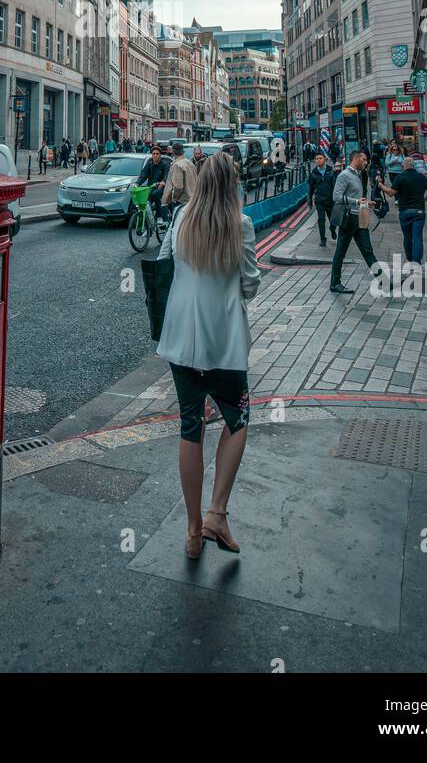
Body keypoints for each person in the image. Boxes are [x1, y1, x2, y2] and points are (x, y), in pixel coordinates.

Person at [156, 152, 260, 559]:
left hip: (181, 341)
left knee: (190, 427)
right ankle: (217, 512)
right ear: (233, 184)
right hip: (224, 346)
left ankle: (192, 529)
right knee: (238, 419)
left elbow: (164, 265)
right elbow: (250, 283)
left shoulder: (181, 218)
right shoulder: (241, 224)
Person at [329, 149, 383, 294]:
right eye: (364, 160)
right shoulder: (344, 175)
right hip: (349, 219)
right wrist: (356, 201)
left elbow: (357, 198)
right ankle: (335, 283)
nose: (366, 163)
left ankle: (384, 281)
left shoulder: (359, 175)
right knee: (341, 251)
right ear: (356, 159)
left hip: (360, 216)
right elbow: (336, 197)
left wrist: (366, 203)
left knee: (368, 251)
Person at [381, 156, 427, 264]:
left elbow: (391, 193)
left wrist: (381, 186)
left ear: (403, 165)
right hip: (419, 211)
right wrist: (424, 200)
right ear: (413, 165)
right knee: (417, 237)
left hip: (405, 211)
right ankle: (416, 262)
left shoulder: (400, 177)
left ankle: (410, 259)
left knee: (407, 237)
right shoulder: (421, 177)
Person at [307, 152, 336, 246]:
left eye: (320, 158)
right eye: (317, 159)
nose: (318, 160)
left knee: (332, 219)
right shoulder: (313, 173)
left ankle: (332, 229)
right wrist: (310, 202)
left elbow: (335, 185)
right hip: (319, 200)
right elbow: (310, 188)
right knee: (321, 219)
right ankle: (323, 239)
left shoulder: (331, 171)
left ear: (325, 159)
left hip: (330, 200)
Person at [163, 139, 196, 216]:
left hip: (182, 201)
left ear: (173, 152)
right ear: (183, 152)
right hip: (192, 199)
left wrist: (174, 198)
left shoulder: (177, 165)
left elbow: (178, 187)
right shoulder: (190, 163)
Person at [138, 144, 170, 222]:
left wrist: (163, 182)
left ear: (160, 155)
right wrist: (137, 183)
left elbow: (167, 174)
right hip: (150, 187)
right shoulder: (149, 163)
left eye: (157, 154)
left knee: (155, 195)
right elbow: (144, 174)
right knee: (144, 202)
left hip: (161, 187)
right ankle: (146, 224)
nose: (155, 155)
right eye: (153, 154)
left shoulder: (164, 164)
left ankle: (159, 216)